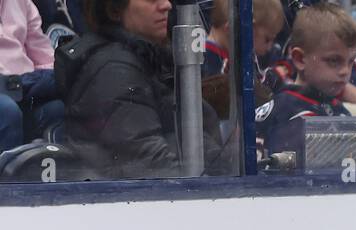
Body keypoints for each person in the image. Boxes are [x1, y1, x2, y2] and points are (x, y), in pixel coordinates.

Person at [55, 0, 231, 178]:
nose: (166, 5)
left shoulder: (148, 61)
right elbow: (152, 166)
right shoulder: (114, 71)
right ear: (114, 10)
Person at [256, 1, 356, 156]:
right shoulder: (286, 112)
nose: (345, 71)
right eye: (334, 60)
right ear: (300, 59)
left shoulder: (338, 109)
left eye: (350, 61)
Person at [0, 0, 64, 150]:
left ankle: (59, 170)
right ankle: (9, 173)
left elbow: (44, 57)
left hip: (23, 86)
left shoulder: (21, 2)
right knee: (8, 110)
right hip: (5, 94)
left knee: (59, 108)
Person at [202, 0, 286, 77]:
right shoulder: (207, 64)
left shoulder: (241, 56)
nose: (269, 48)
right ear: (242, 28)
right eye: (267, 39)